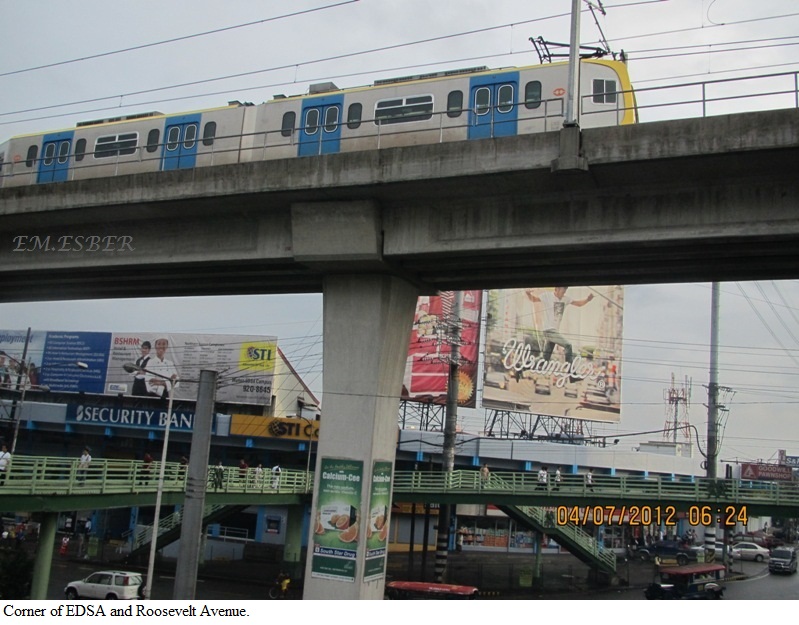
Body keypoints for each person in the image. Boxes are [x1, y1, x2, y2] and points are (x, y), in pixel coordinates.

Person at [525, 287, 595, 371]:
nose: (564, 293)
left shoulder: (565, 299)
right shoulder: (547, 296)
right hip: (548, 330)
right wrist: (528, 294)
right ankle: (571, 372)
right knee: (568, 345)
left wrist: (587, 299)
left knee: (544, 360)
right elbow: (534, 300)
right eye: (562, 290)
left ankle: (521, 367)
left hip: (554, 331)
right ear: (556, 289)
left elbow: (578, 304)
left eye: (565, 290)